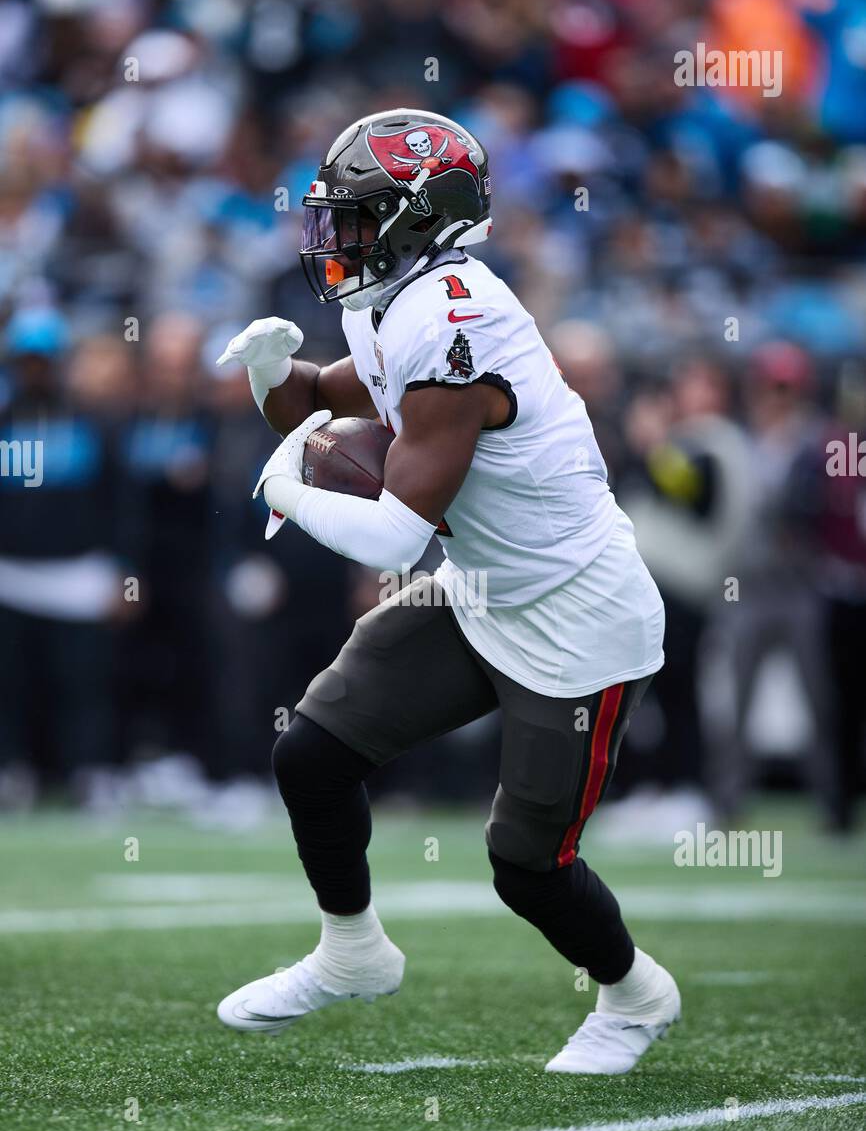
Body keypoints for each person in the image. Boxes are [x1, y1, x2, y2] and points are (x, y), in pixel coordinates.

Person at [215, 108, 678, 1075]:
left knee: (526, 864)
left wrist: (292, 492)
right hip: (481, 587)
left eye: (356, 218)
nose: (334, 239)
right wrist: (271, 370)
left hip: (573, 613)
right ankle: (353, 954)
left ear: (420, 218)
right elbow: (314, 401)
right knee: (311, 754)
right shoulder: (392, 298)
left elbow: (394, 532)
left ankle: (634, 994)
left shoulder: (453, 321)